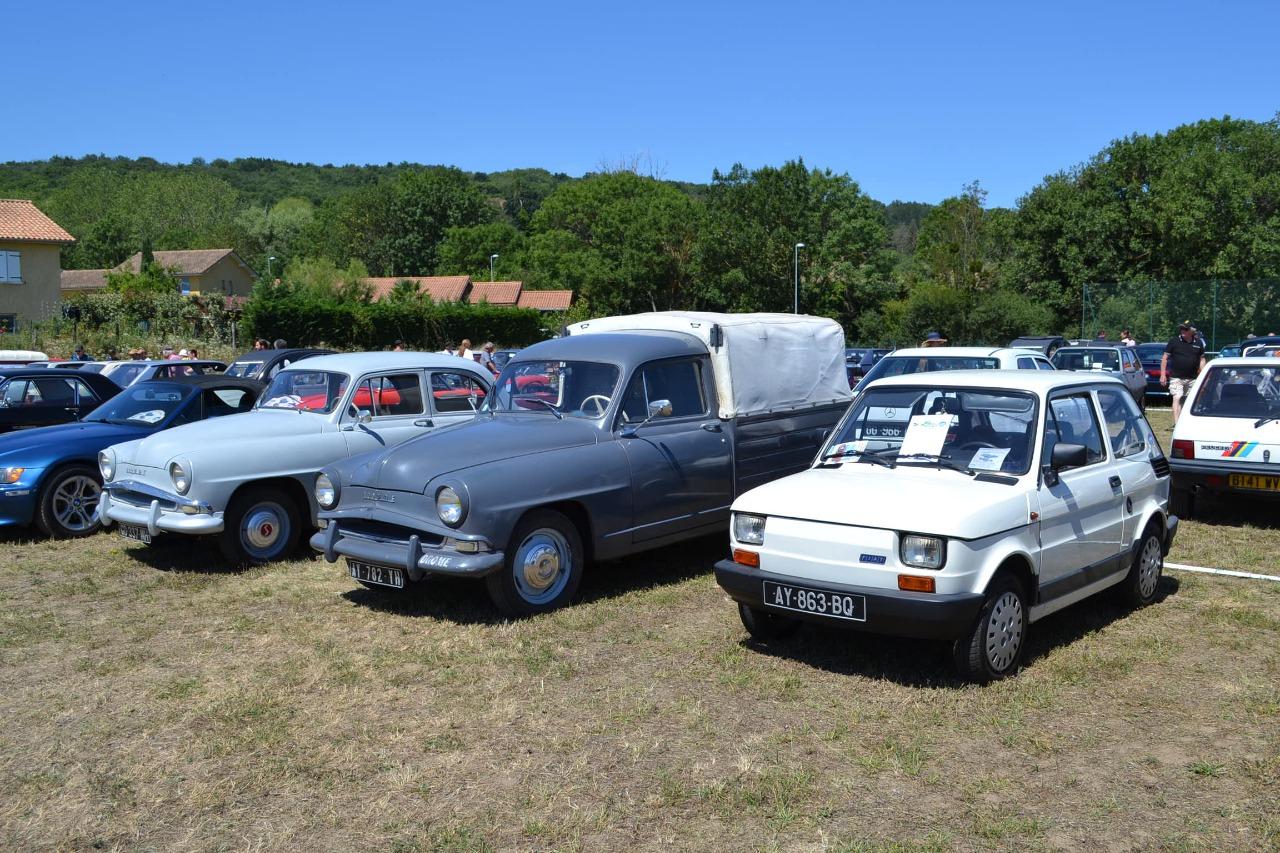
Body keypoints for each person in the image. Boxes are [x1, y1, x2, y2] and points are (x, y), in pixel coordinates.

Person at [1161, 323, 1206, 423]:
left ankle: (1187, 422)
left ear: (1192, 331)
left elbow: (1202, 360)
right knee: (1177, 397)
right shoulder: (1174, 341)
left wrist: (1203, 375)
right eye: (1181, 328)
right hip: (1176, 377)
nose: (1182, 331)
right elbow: (1165, 358)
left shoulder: (1198, 343)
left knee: (1191, 401)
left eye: (1185, 329)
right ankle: (1177, 424)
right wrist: (1163, 375)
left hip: (1193, 378)